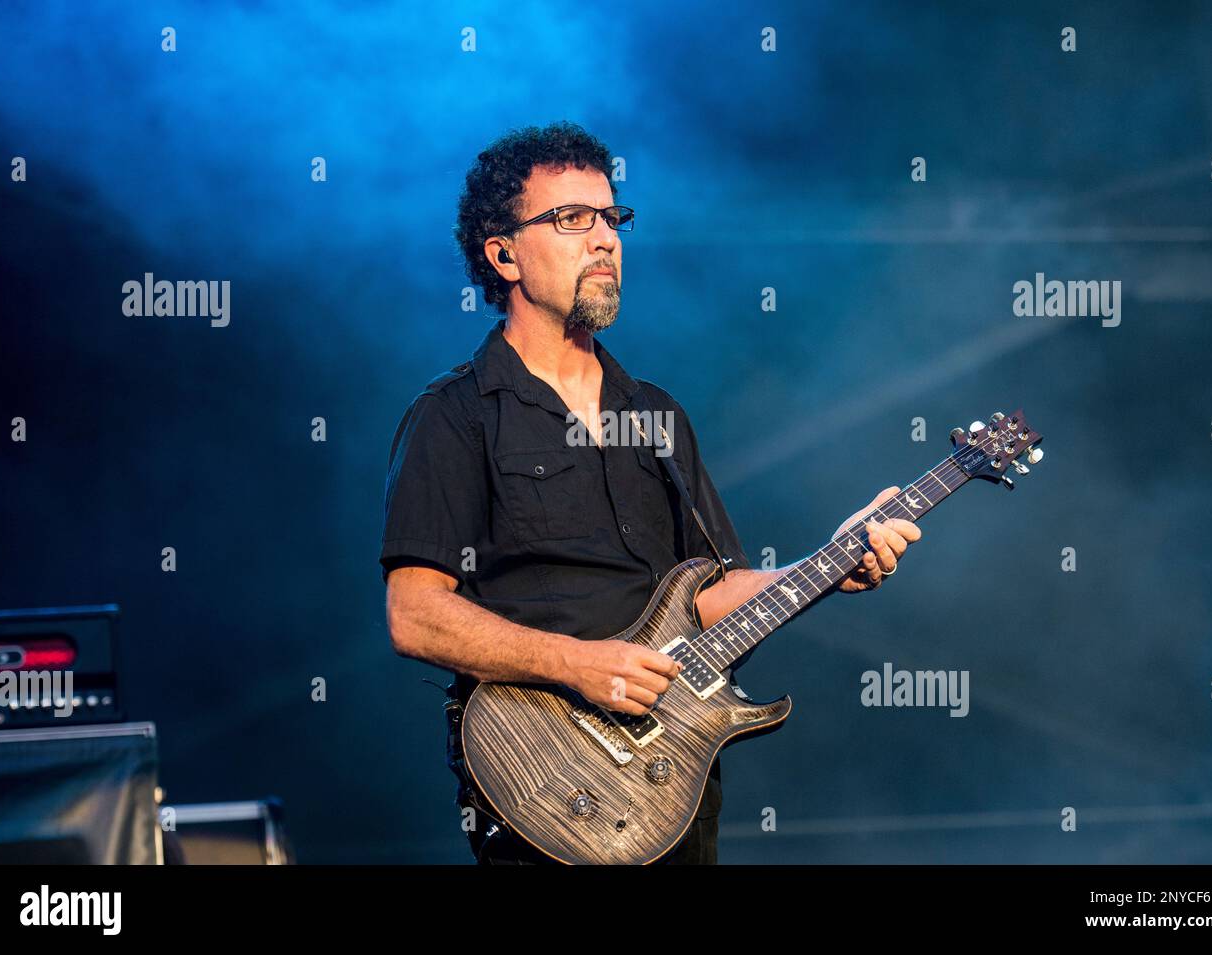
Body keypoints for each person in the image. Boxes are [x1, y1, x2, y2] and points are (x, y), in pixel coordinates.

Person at [380, 121, 920, 864]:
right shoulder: (455, 415)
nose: (604, 239)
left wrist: (832, 560)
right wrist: (576, 663)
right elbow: (415, 616)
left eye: (611, 217)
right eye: (572, 219)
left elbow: (708, 592)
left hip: (672, 769)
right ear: (503, 254)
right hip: (546, 774)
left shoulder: (655, 414)